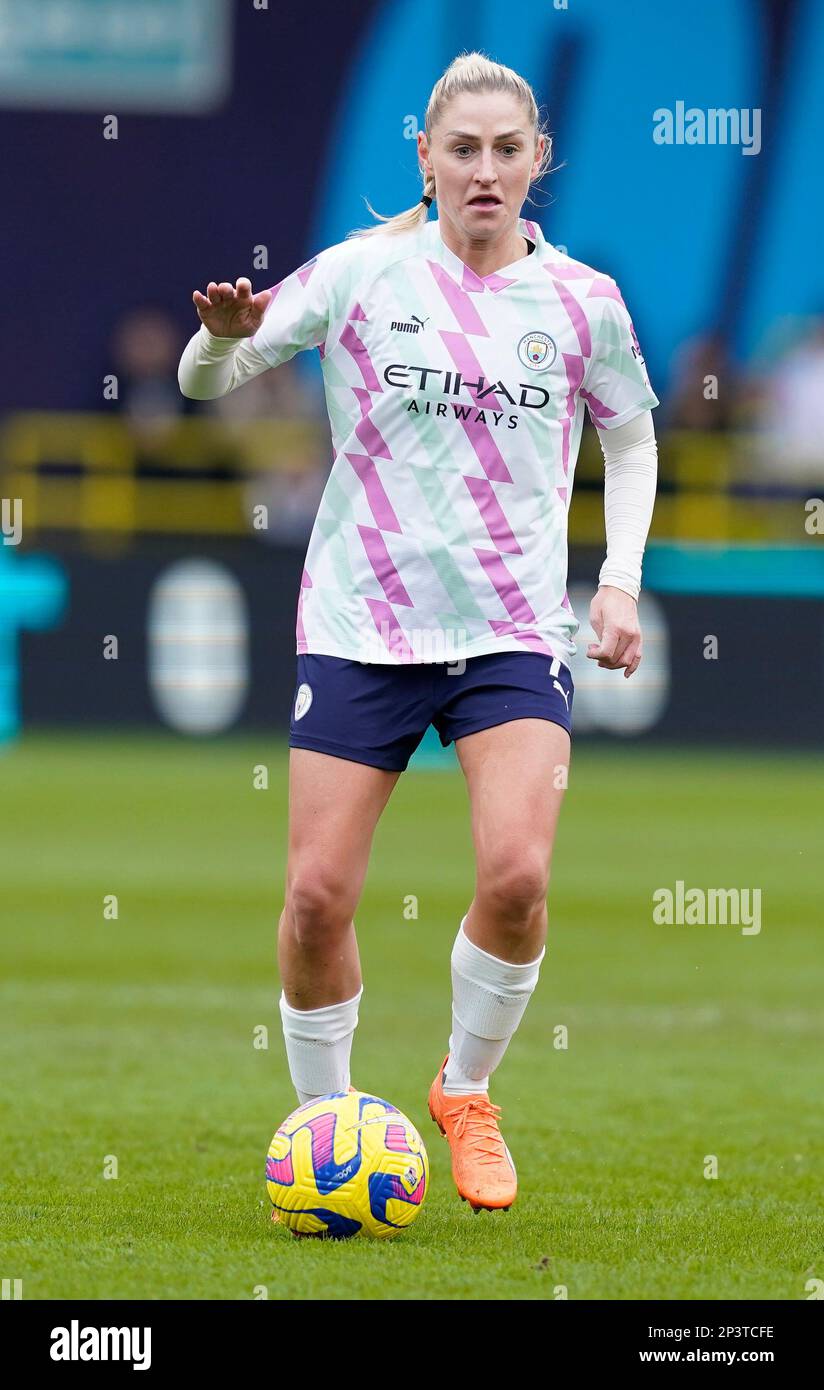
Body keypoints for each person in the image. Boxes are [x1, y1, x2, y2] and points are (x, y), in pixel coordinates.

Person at [178, 51, 659, 1215]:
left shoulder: (583, 300)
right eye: (462, 149)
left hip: (507, 631)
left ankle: (465, 1085)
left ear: (536, 160)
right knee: (314, 900)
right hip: (360, 622)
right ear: (425, 159)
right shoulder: (359, 274)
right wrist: (217, 338)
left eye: (506, 150)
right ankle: (324, 1123)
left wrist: (618, 582)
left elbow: (634, 442)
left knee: (516, 875)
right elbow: (211, 376)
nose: (483, 170)